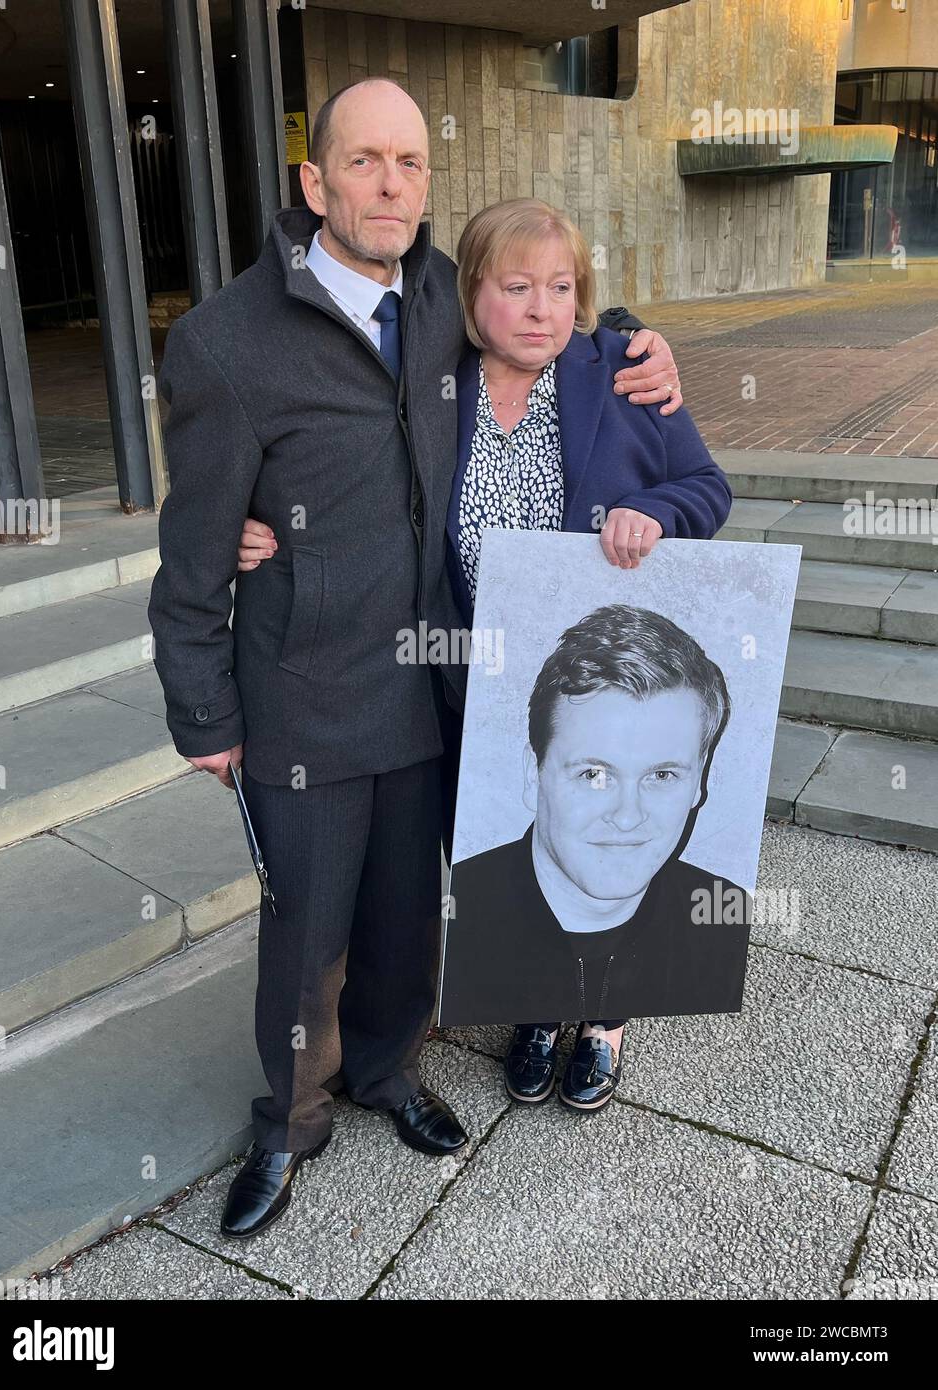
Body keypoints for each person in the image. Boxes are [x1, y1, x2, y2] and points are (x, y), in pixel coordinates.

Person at [161, 79, 681, 1244]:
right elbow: (191, 546)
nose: (389, 184)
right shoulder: (225, 341)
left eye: (408, 163)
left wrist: (643, 343)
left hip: (436, 683)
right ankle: (289, 1122)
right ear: (315, 184)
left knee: (408, 911)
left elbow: (548, 308)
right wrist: (202, 708)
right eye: (363, 163)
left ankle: (387, 1071)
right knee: (307, 927)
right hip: (299, 689)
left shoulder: (446, 295)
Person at [438, 603, 753, 1111]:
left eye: (663, 775)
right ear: (532, 773)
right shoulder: (468, 896)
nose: (627, 817)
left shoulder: (721, 913)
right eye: (593, 774)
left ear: (700, 780)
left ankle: (606, 1023)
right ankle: (538, 1009)